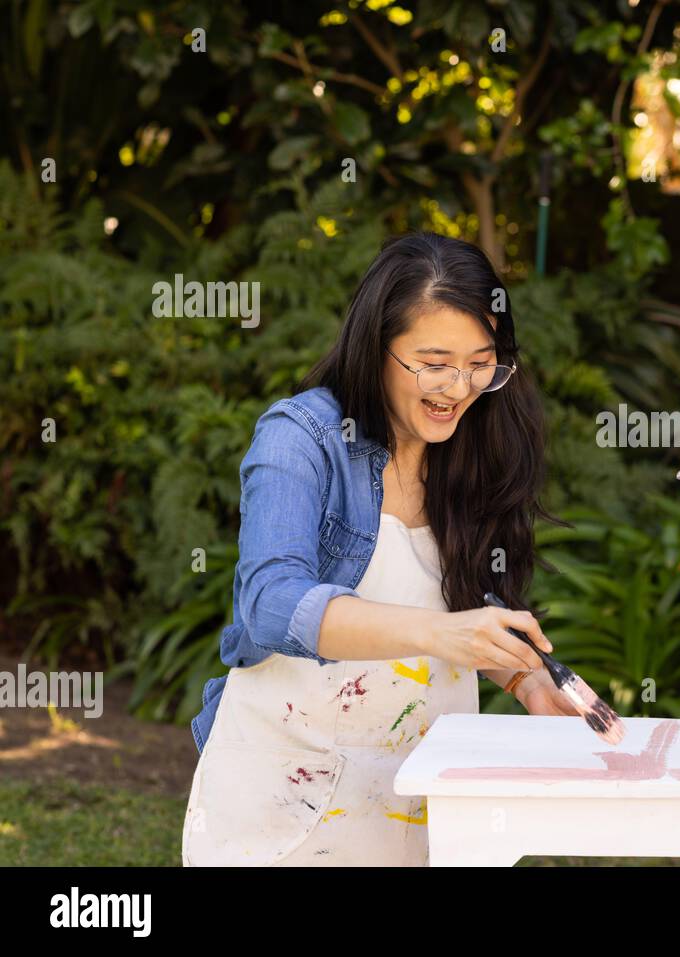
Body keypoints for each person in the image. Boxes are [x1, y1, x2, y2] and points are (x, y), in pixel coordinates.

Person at [183, 233, 580, 866]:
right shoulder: (300, 439)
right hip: (287, 797)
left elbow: (470, 608)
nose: (459, 386)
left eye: (481, 363)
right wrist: (441, 634)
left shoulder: (474, 451)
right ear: (376, 347)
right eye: (434, 361)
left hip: (424, 792)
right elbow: (271, 604)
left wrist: (527, 678)